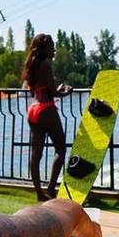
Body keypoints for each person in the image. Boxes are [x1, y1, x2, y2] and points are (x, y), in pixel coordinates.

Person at [23, 34, 73, 202]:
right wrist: (66, 91)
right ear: (45, 48)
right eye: (52, 46)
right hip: (46, 110)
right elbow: (52, 92)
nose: (54, 49)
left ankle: (39, 193)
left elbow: (40, 89)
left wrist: (56, 90)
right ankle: (51, 189)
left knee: (35, 155)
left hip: (33, 109)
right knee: (61, 150)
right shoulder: (45, 63)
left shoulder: (32, 64)